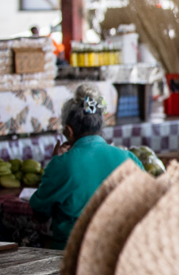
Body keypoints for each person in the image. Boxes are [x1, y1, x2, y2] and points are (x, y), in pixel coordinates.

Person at [29, 85, 144, 249]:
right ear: (100, 128)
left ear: (69, 131)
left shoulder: (62, 164)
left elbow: (40, 214)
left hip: (71, 258)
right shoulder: (129, 160)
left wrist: (56, 161)